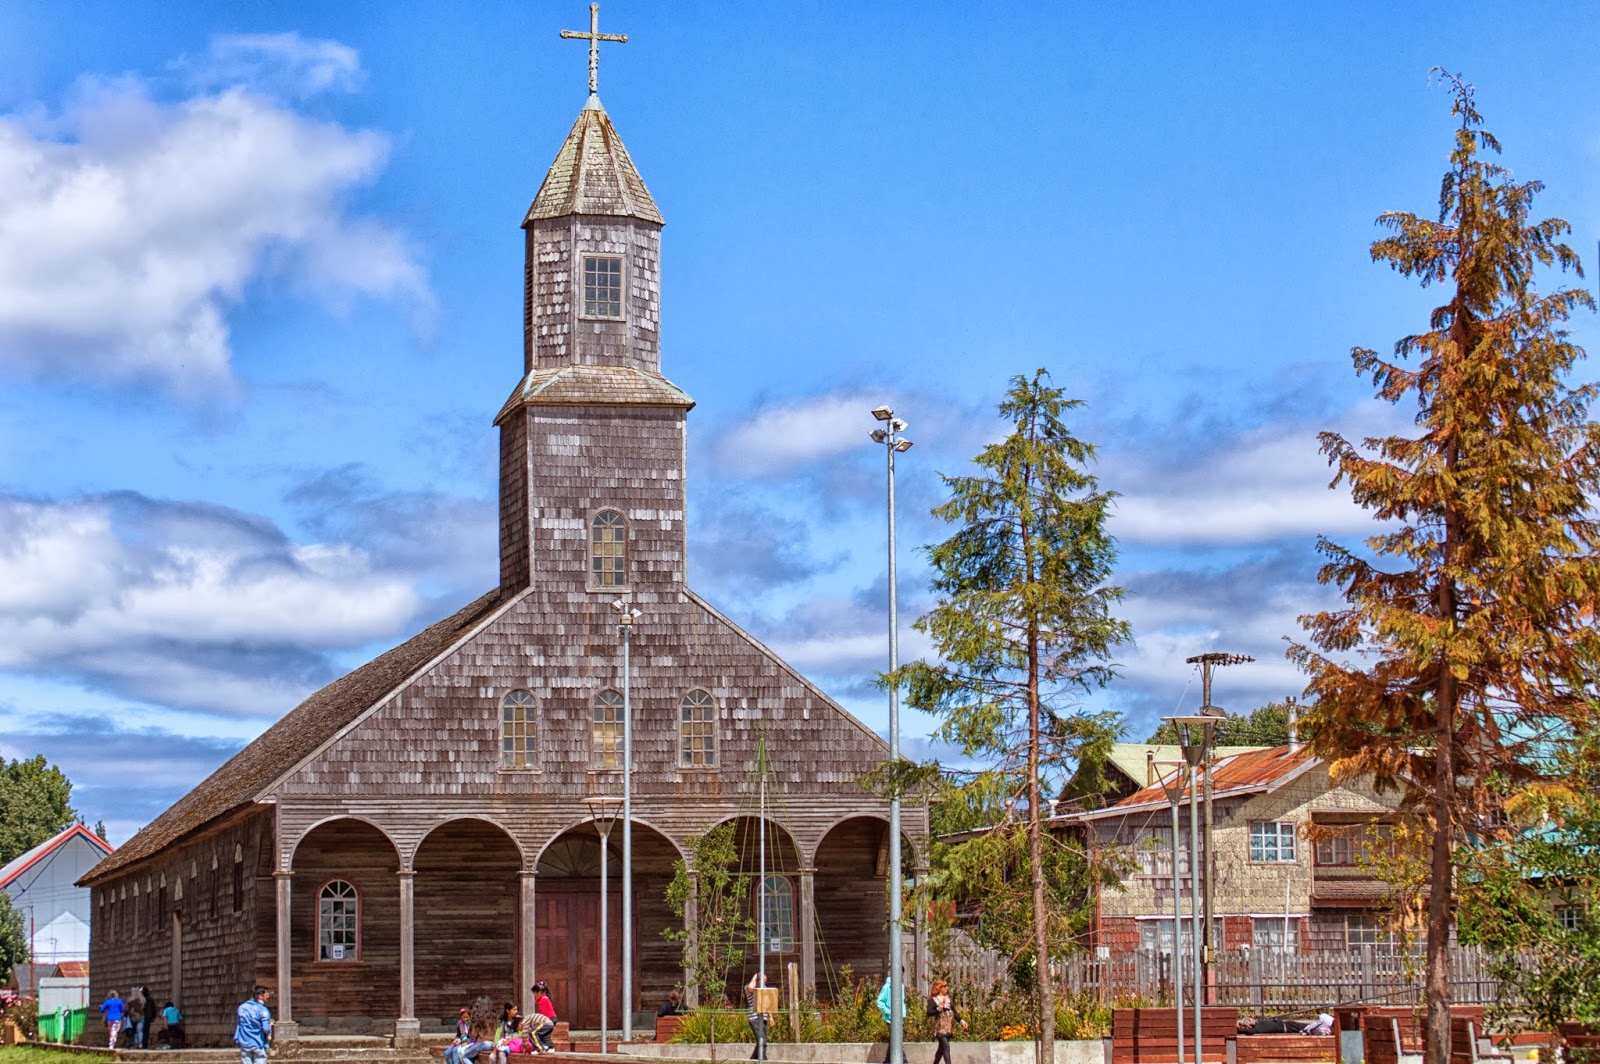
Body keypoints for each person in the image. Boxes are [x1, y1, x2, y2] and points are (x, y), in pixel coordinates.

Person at [926, 979, 966, 1064]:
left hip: (948, 1028)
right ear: (939, 988)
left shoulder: (948, 998)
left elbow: (954, 1012)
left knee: (941, 1049)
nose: (947, 988)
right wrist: (938, 1009)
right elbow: (929, 1012)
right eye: (944, 986)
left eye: (947, 986)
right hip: (940, 1028)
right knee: (946, 1046)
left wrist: (961, 1021)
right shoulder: (934, 1000)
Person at [234, 985, 273, 1064]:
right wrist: (270, 1029)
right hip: (258, 1043)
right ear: (260, 996)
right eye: (266, 994)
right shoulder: (263, 1010)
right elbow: (266, 1029)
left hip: (244, 1042)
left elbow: (239, 1024)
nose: (268, 996)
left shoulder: (242, 1007)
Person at [458, 995, 499, 1064]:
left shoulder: (477, 1019)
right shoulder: (495, 1017)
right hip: (493, 1044)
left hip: (483, 1044)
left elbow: (473, 1035)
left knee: (464, 1056)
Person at [877, 976, 907, 1064]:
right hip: (890, 1019)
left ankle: (887, 1061)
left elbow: (901, 1001)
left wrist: (902, 1013)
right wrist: (889, 1012)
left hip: (900, 1018)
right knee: (895, 1040)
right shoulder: (887, 986)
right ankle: (904, 1060)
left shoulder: (901, 986)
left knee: (894, 1040)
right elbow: (879, 1002)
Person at [745, 972, 771, 1062]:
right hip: (755, 1018)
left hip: (763, 1018)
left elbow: (767, 1003)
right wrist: (756, 975)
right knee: (762, 1041)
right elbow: (751, 987)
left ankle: (753, 1059)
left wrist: (771, 1017)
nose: (763, 983)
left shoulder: (764, 989)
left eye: (765, 981)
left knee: (761, 1040)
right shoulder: (749, 988)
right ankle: (762, 1059)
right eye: (762, 981)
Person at [526, 982, 557, 1054]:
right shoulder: (542, 998)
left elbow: (544, 1013)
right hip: (550, 1019)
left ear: (539, 992)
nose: (534, 996)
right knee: (544, 1033)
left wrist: (540, 1022)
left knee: (538, 1032)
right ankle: (547, 1046)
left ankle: (544, 1047)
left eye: (535, 994)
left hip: (549, 1019)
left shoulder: (544, 999)